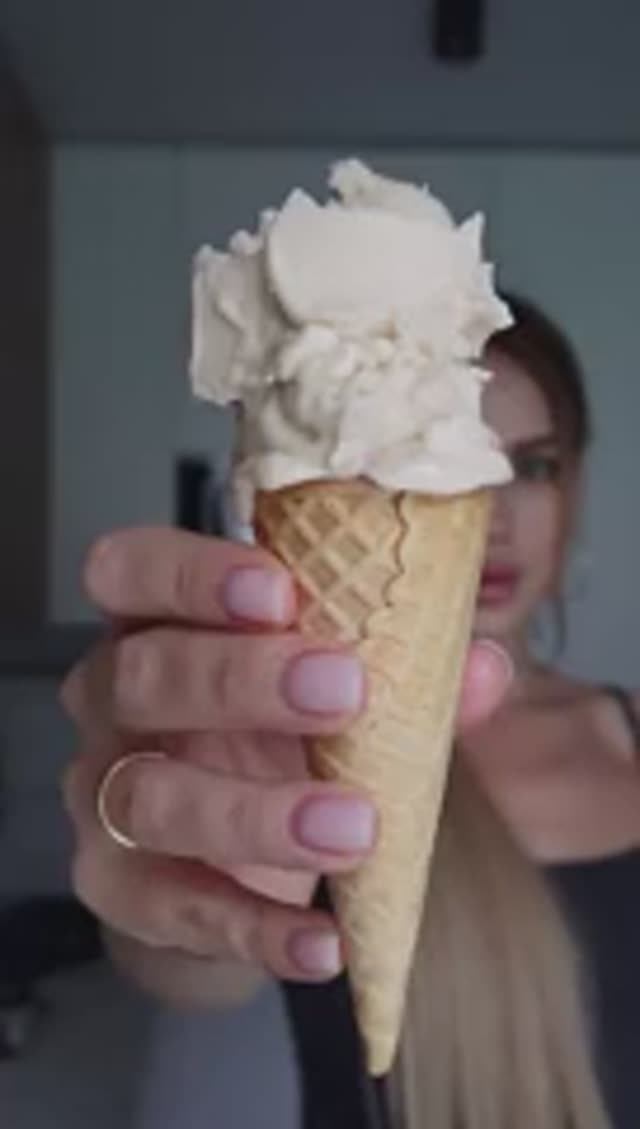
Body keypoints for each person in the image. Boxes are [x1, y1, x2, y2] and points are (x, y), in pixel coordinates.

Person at [61, 295, 640, 1129]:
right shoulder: (298, 747)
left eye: (534, 466)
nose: (494, 512)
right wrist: (169, 874)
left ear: (573, 490)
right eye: (437, 459)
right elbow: (195, 967)